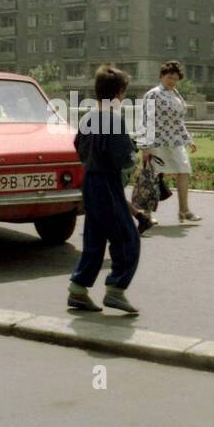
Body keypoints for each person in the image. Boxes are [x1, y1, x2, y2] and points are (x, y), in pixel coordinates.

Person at [67, 64, 140, 315]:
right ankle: (116, 290)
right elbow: (125, 159)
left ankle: (78, 289)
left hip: (90, 181)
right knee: (127, 238)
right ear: (119, 93)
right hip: (108, 184)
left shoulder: (88, 117)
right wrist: (133, 151)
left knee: (94, 240)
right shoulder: (114, 120)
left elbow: (79, 147)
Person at [137, 60, 200, 224]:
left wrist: (189, 139)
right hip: (157, 141)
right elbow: (145, 120)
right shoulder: (153, 94)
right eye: (169, 77)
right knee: (152, 175)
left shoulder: (176, 94)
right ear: (162, 76)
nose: (172, 81)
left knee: (184, 170)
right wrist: (145, 147)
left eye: (175, 78)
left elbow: (179, 120)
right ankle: (147, 213)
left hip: (176, 141)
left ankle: (184, 210)